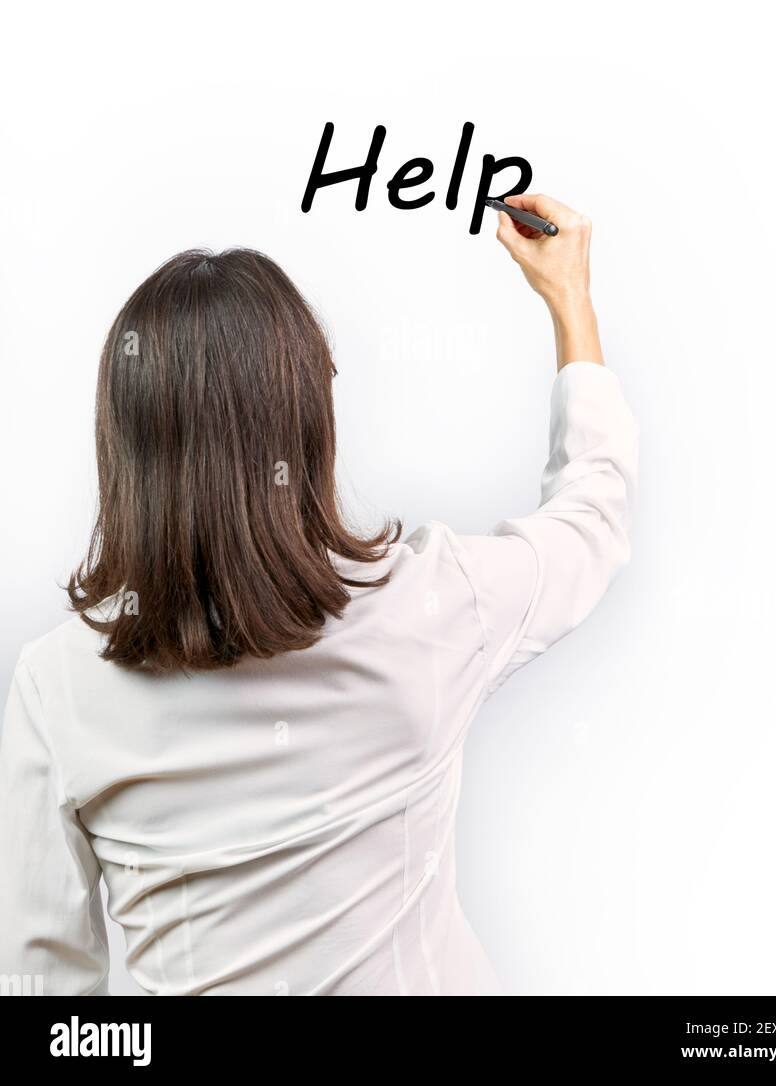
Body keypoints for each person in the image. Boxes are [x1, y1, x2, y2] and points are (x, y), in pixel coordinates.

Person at [0, 194, 638, 996]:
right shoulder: (435, 608)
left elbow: (41, 988)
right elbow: (591, 520)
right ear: (307, 424)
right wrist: (570, 297)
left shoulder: (56, 687)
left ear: (124, 443)